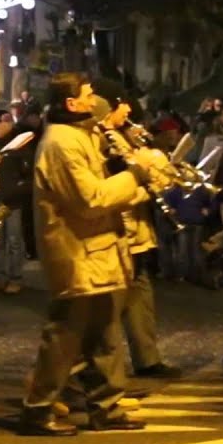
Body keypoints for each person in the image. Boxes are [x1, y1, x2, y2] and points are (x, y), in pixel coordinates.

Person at [16, 72, 164, 437]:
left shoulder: (79, 135)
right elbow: (91, 199)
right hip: (76, 250)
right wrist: (135, 174)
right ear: (71, 103)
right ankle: (38, 408)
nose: (93, 99)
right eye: (87, 94)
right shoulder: (63, 143)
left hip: (95, 249)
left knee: (103, 331)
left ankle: (106, 406)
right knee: (65, 332)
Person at [89, 79, 180, 380]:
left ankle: (147, 358)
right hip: (120, 230)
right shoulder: (101, 141)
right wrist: (148, 184)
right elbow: (116, 188)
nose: (128, 109)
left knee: (140, 294)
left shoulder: (122, 135)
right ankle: (98, 377)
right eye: (123, 103)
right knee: (109, 308)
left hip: (136, 229)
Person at [0, 110, 32, 294]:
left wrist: (17, 192)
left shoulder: (19, 145)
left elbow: (28, 176)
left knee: (14, 240)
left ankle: (15, 277)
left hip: (13, 201)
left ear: (8, 123)